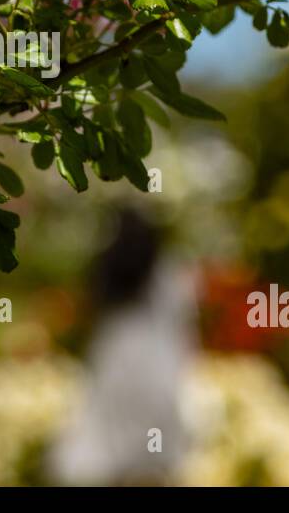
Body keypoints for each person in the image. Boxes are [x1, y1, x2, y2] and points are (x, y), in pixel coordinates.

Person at [47, 207, 198, 485]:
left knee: (116, 438)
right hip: (154, 359)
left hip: (118, 357)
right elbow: (183, 321)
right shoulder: (169, 272)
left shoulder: (110, 268)